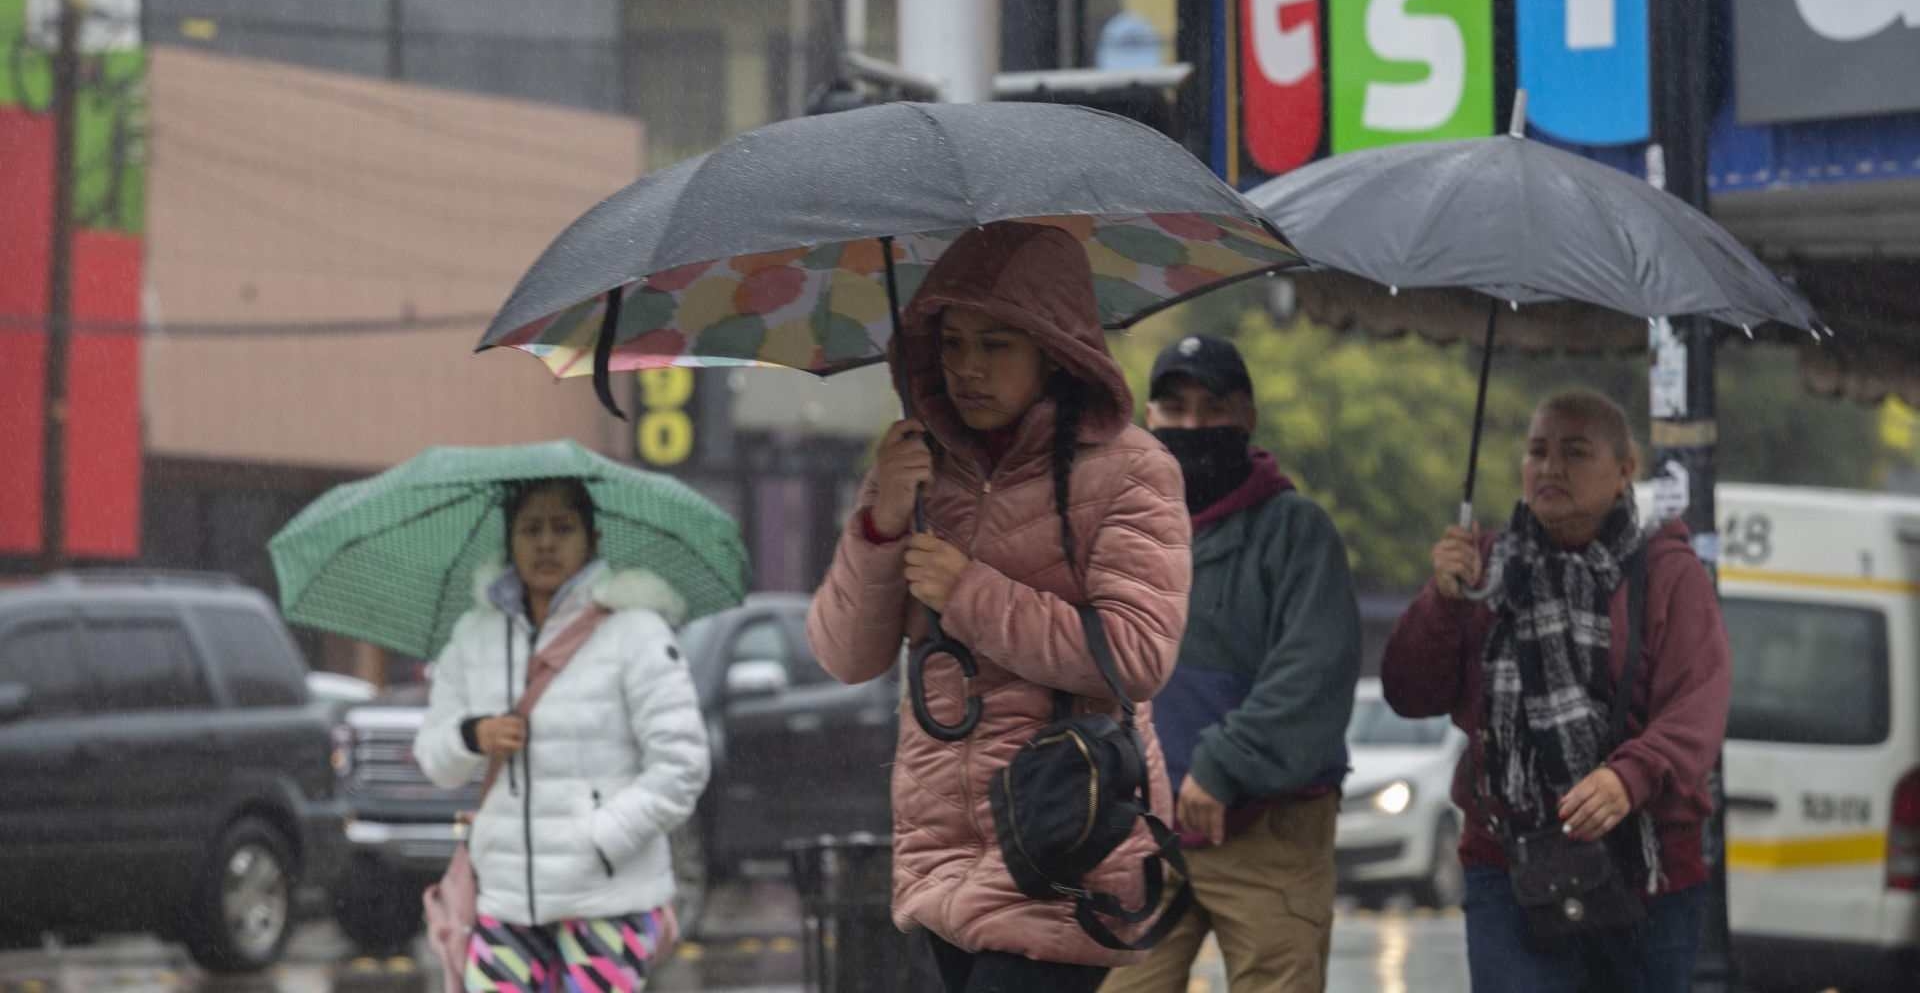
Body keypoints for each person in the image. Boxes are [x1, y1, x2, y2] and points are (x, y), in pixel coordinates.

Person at [806, 222, 1193, 993]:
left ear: (1055, 349)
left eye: (995, 345)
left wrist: (969, 592)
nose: (967, 370)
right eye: (951, 345)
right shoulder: (916, 465)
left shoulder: (1130, 469)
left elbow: (1137, 656)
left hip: (1059, 839)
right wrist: (882, 521)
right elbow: (846, 655)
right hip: (937, 851)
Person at [1381, 390, 1731, 993]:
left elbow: (1696, 709)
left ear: (1625, 471)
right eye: (1537, 451)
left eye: (1574, 452)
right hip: (1509, 865)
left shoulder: (1668, 572)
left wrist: (1630, 777)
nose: (1549, 468)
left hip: (1648, 876)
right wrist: (1442, 599)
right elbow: (1410, 692)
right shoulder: (1484, 566)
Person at [1101, 334, 1361, 993]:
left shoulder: (1296, 530)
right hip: (1138, 832)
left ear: (1247, 416)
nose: (1192, 425)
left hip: (1269, 833)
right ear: (1148, 419)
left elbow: (1313, 672)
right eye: (1174, 408)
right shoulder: (1119, 531)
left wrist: (1221, 767)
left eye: (1213, 407)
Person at [416, 478, 711, 993]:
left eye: (562, 527)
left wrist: (600, 838)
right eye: (531, 529)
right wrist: (472, 736)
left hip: (607, 899)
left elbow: (683, 764)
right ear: (510, 542)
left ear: (592, 540)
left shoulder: (636, 633)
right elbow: (434, 759)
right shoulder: (474, 636)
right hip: (505, 899)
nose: (546, 543)